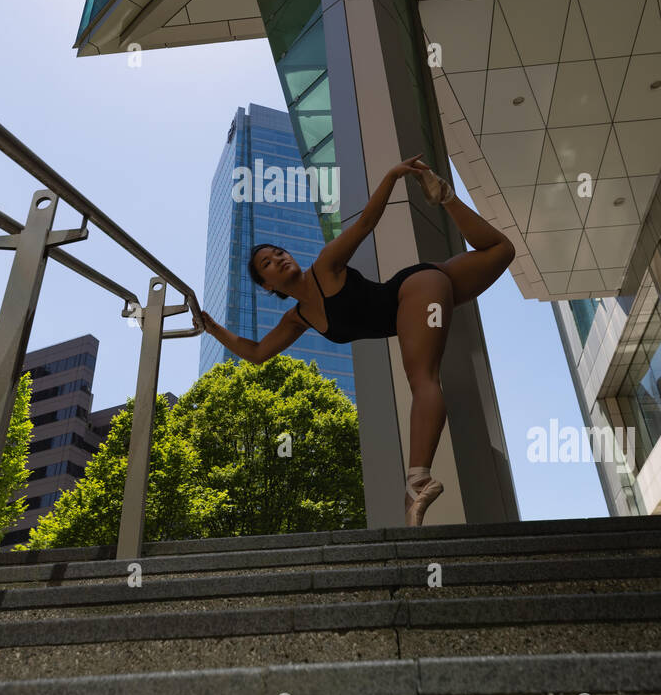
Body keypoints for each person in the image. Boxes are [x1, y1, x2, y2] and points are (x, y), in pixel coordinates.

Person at [193, 155, 515, 526]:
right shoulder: (296, 319)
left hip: (415, 290)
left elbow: (365, 222)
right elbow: (257, 353)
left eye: (278, 252)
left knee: (422, 378)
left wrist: (393, 174)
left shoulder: (326, 264)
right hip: (430, 289)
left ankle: (416, 482)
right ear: (267, 286)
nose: (278, 259)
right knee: (501, 251)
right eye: (267, 263)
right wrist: (213, 328)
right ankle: (444, 195)